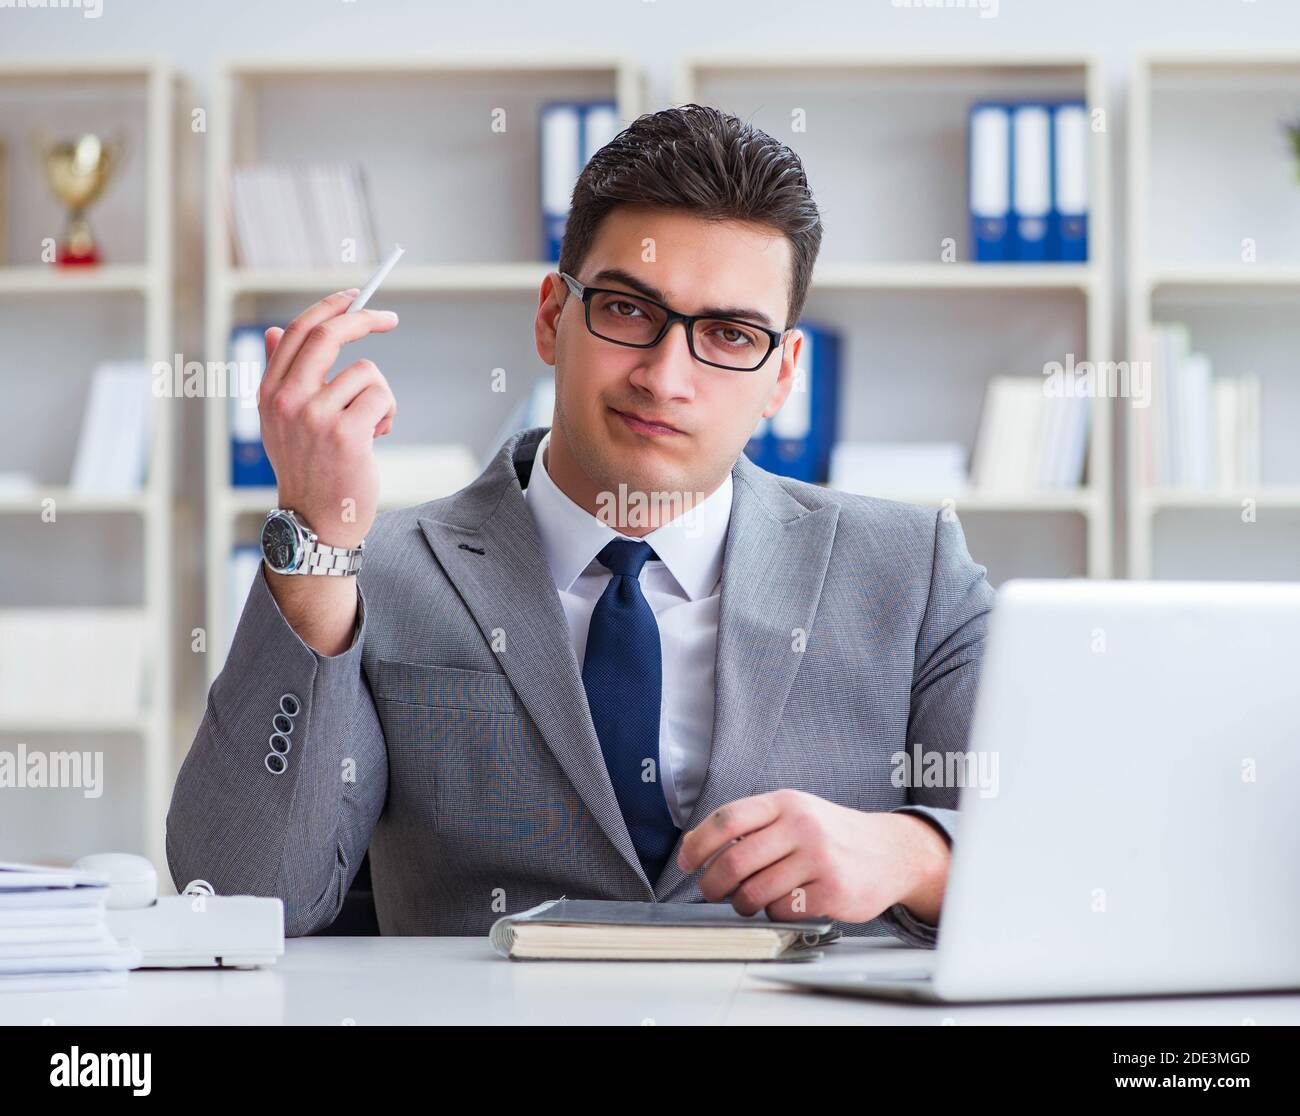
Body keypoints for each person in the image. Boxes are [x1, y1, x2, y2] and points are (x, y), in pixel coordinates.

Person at [167, 104, 995, 945]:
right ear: (550, 318)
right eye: (630, 312)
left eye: (730, 333)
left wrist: (917, 854)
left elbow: (1082, 865)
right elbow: (241, 894)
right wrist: (313, 534)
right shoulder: (374, 573)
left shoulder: (914, 573)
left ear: (782, 376)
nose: (666, 378)